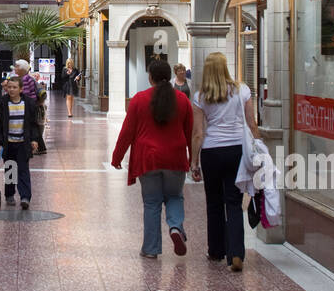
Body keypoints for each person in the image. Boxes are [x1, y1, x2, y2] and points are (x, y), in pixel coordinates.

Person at [111, 59, 194, 258]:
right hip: (174, 157)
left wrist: (117, 157)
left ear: (150, 78)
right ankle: (175, 228)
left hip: (148, 158)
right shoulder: (182, 100)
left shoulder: (139, 99)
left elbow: (127, 132)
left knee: (151, 202)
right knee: (174, 196)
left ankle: (151, 249)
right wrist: (194, 159)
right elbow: (190, 132)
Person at [190, 52, 259, 271]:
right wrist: (259, 149)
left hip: (212, 151)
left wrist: (194, 162)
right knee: (234, 201)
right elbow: (251, 123)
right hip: (237, 150)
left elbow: (198, 133)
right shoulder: (242, 91)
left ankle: (216, 250)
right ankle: (236, 253)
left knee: (214, 202)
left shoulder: (201, 96)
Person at [0, 76, 40, 210]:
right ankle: (9, 194)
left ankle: (25, 197)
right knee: (10, 168)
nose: (11, 90)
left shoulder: (29, 103)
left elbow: (33, 124)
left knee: (23, 169)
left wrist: (34, 139)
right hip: (8, 143)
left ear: (21, 89)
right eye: (9, 87)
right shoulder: (3, 102)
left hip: (22, 143)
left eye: (15, 87)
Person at [14, 59, 46, 154]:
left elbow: (26, 94)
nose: (15, 68)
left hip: (30, 107)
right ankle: (40, 147)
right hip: (32, 106)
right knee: (33, 126)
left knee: (32, 126)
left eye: (17, 67)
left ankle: (39, 147)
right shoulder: (27, 78)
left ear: (22, 69)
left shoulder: (24, 79)